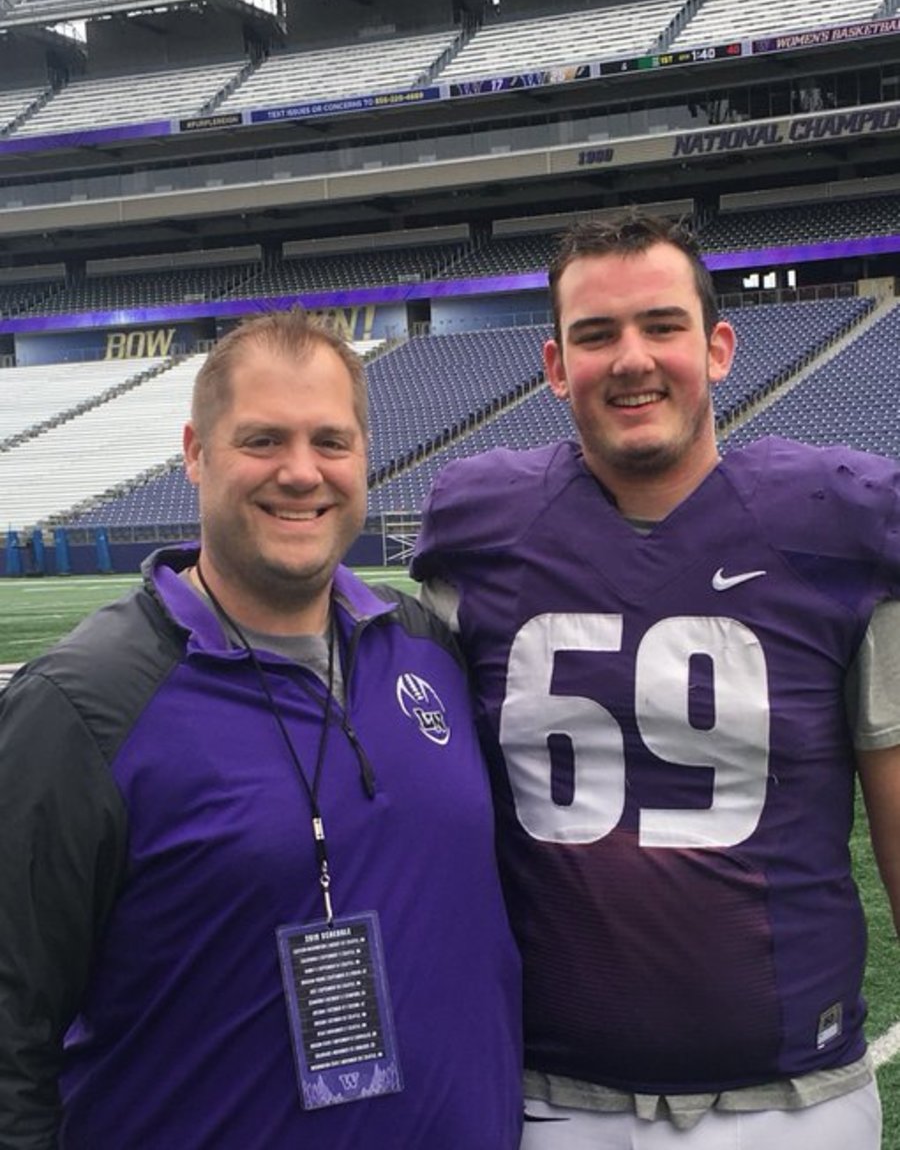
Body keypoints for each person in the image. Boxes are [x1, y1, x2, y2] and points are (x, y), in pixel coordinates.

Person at [411, 210, 900, 1149]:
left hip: (797, 1099)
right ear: (555, 368)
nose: (631, 358)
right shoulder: (482, 528)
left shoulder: (835, 523)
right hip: (553, 1099)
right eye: (595, 335)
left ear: (718, 348)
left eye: (662, 326)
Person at [0, 310, 523, 1150]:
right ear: (196, 453)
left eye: (330, 441)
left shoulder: (426, 649)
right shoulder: (82, 705)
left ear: (364, 457)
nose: (300, 472)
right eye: (262, 441)